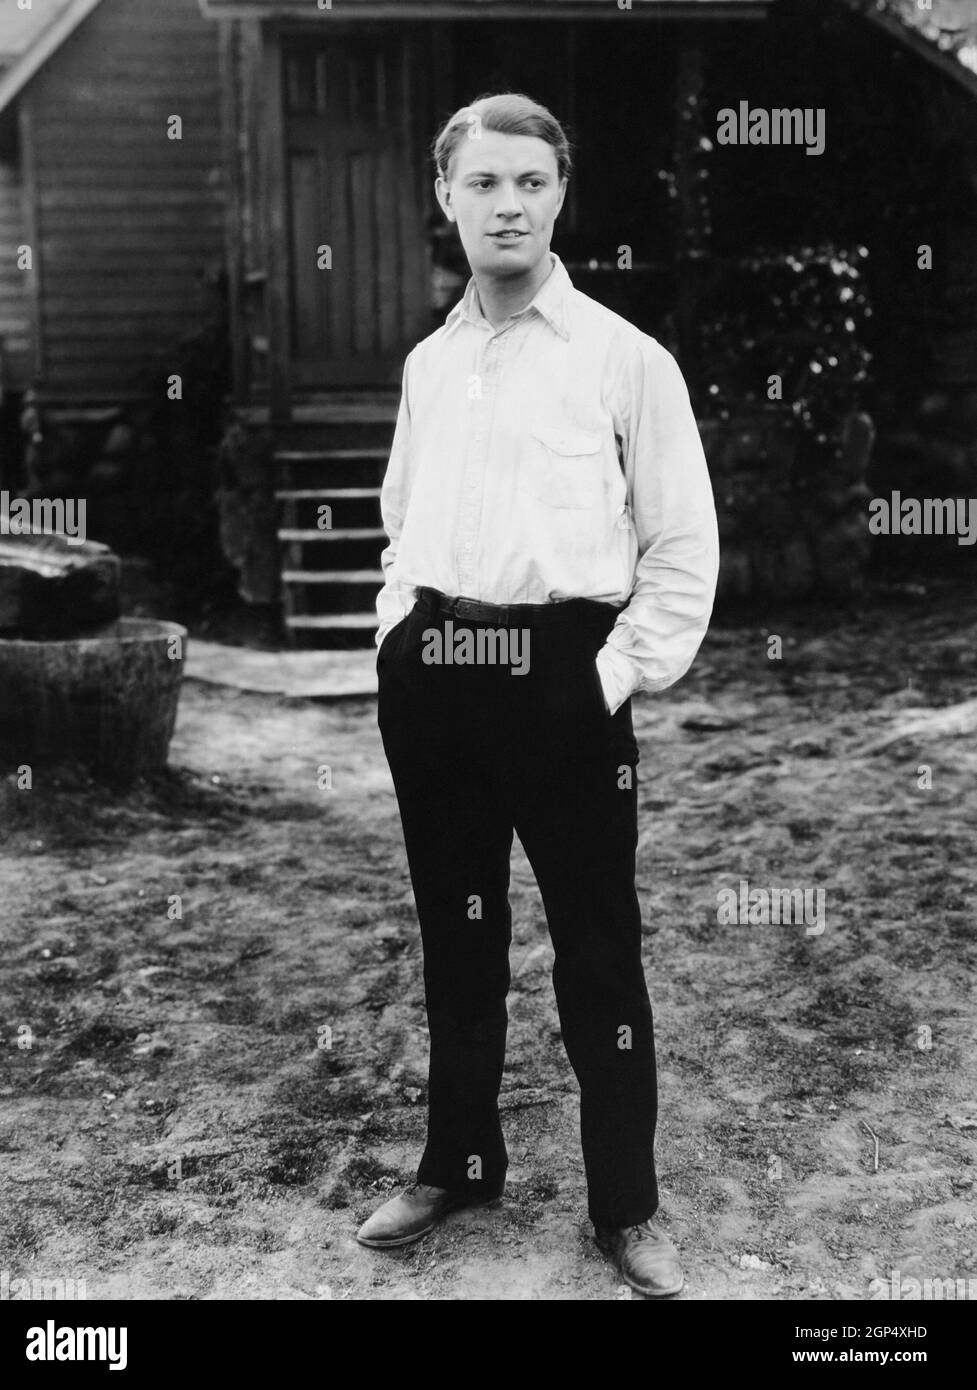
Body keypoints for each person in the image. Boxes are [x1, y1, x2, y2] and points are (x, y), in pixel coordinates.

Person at [358, 93, 719, 1298]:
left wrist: (603, 677)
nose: (505, 203)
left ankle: (626, 1205)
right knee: (458, 938)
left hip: (565, 681)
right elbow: (400, 526)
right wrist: (392, 642)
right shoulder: (428, 363)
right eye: (481, 183)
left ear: (560, 193)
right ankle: (458, 1161)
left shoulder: (625, 360)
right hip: (437, 682)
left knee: (597, 953)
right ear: (444, 197)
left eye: (528, 181)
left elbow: (679, 552)